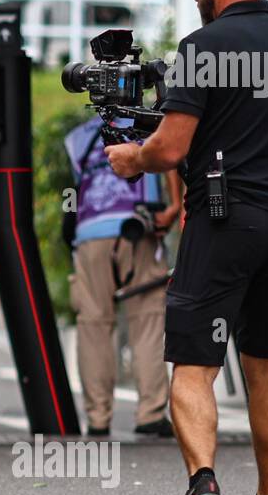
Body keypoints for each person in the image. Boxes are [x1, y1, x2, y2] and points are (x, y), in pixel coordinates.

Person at [105, 0, 268, 495]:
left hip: (227, 218)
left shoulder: (204, 48)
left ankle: (202, 485)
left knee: (194, 363)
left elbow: (170, 149)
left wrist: (131, 157)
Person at [65, 115, 181, 437]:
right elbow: (169, 157)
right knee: (147, 319)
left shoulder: (77, 137)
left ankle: (98, 417)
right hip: (137, 227)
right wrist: (173, 206)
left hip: (90, 233)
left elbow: (75, 189)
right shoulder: (149, 123)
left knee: (94, 324)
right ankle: (150, 413)